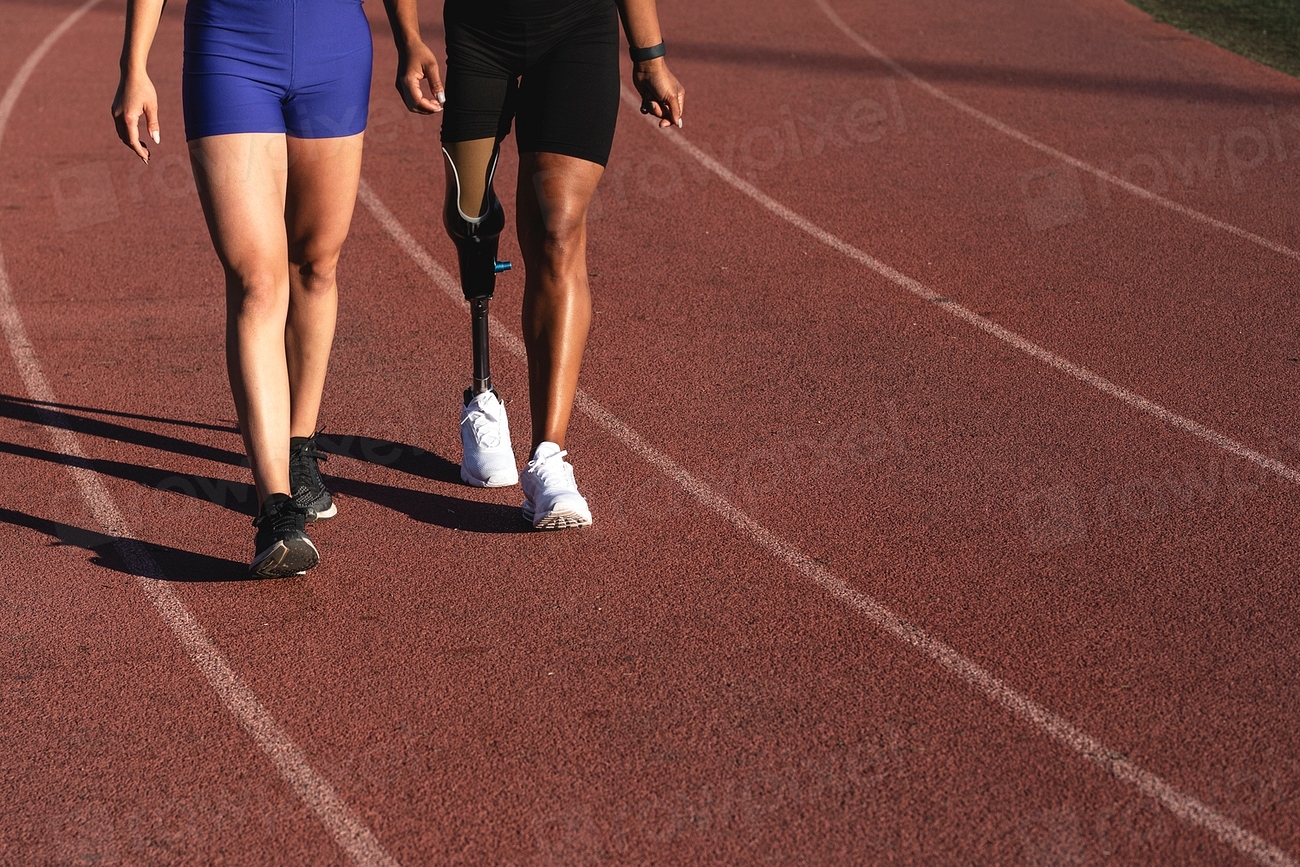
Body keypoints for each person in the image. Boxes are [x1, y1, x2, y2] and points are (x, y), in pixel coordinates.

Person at [382, 0, 685, 529]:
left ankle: (549, 458)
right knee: (468, 217)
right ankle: (482, 394)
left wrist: (649, 55)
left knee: (557, 229)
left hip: (576, 29)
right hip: (479, 32)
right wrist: (409, 40)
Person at [112, 0, 371, 576]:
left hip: (337, 48)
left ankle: (299, 449)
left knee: (317, 264)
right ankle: (276, 509)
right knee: (257, 280)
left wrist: (411, 40)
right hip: (231, 47)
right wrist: (135, 67)